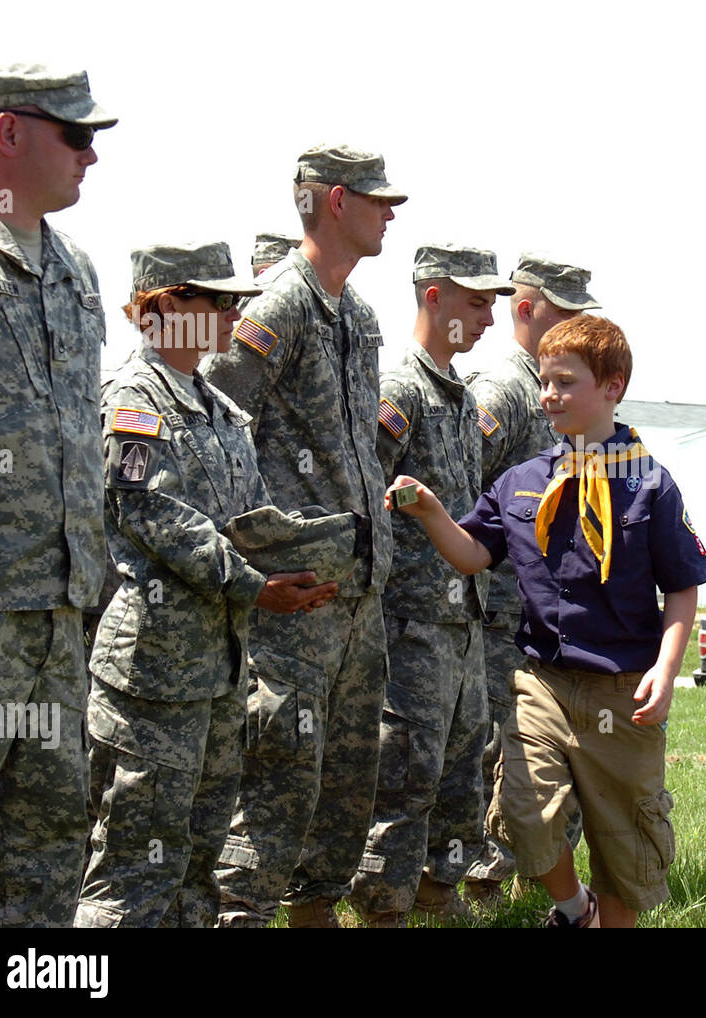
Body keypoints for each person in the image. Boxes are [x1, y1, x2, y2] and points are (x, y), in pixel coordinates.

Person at [389, 314, 706, 928]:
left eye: (566, 382)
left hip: (623, 691)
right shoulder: (523, 481)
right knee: (523, 809)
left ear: (613, 386)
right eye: (544, 381)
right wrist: (432, 512)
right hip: (543, 681)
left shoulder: (649, 485)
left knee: (625, 846)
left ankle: (603, 914)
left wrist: (668, 671)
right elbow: (473, 554)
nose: (548, 395)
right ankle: (572, 908)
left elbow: (682, 589)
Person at [74, 243, 342, 927]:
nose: (233, 313)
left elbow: (253, 519)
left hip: (222, 672)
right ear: (164, 306)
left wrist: (311, 555)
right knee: (132, 865)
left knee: (198, 862)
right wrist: (255, 584)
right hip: (152, 676)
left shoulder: (223, 411)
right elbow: (150, 515)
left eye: (236, 300)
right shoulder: (132, 402)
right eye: (216, 301)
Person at [201, 144, 405, 928]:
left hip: (357, 595)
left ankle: (313, 915)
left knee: (345, 786)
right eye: (379, 199)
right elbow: (211, 422)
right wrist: (253, 550)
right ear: (334, 201)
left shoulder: (355, 313)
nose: (390, 214)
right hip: (294, 599)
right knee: (279, 780)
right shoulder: (275, 305)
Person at [0, 64, 116, 927]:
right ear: (8, 132)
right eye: (78, 136)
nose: (92, 158)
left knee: (52, 835)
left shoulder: (75, 270)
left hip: (61, 615)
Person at [347, 244, 512, 925]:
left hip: (460, 622)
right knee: (405, 773)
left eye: (495, 305)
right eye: (477, 303)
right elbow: (362, 498)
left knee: (459, 770)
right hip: (408, 623)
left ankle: (438, 896)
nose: (489, 320)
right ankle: (383, 908)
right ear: (434, 295)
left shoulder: (463, 395)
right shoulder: (400, 390)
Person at [461, 252, 600, 902]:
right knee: (502, 752)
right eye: (565, 315)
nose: (578, 328)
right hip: (498, 614)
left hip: (542, 615)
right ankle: (483, 887)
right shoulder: (506, 390)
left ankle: (525, 883)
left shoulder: (557, 385)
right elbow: (459, 485)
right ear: (526, 310)